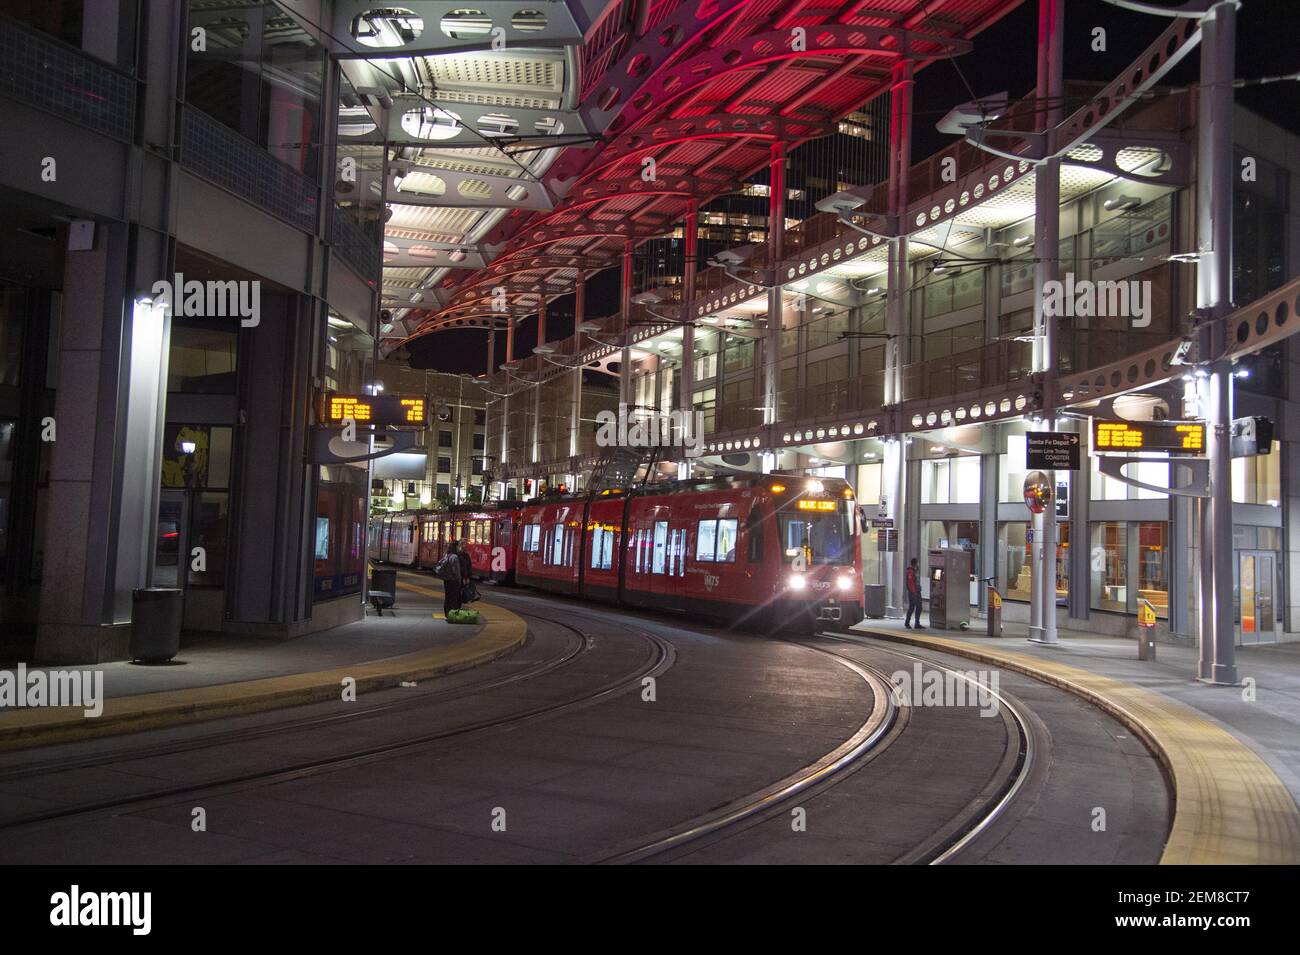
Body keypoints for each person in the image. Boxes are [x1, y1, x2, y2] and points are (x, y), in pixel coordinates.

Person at [436, 543, 462, 617]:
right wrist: (459, 579)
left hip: (446, 580)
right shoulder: (455, 557)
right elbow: (455, 571)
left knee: (447, 597)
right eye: (458, 547)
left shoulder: (446, 555)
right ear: (455, 548)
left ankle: (447, 614)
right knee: (454, 598)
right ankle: (452, 615)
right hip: (454, 581)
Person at [905, 557, 924, 630]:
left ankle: (917, 623)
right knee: (912, 607)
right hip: (913, 593)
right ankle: (907, 623)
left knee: (918, 608)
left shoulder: (915, 571)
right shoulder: (910, 571)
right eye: (918, 563)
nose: (919, 564)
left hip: (917, 592)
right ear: (915, 563)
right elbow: (910, 583)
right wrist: (914, 592)